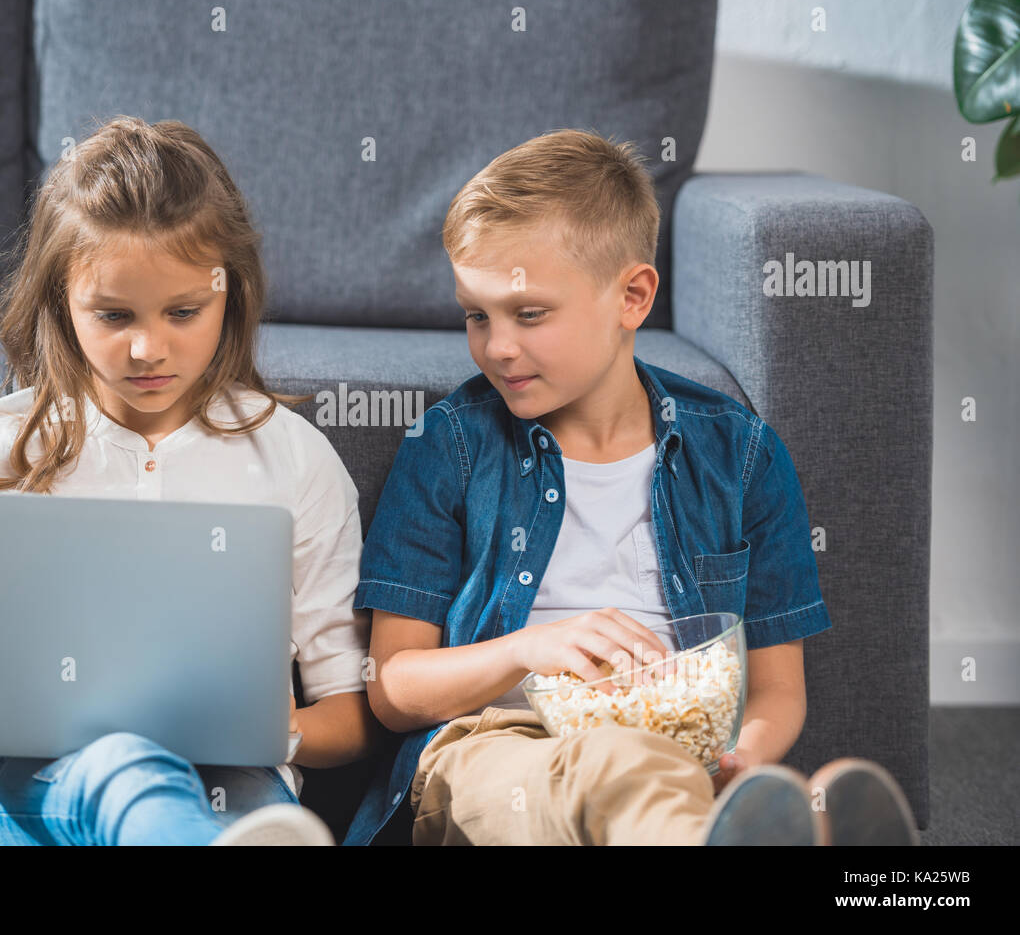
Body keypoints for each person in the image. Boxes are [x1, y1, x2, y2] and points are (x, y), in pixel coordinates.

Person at [343, 129, 919, 846]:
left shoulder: (740, 455)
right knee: (621, 768)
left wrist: (741, 758)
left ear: (633, 297)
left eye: (528, 313)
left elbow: (776, 688)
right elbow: (392, 688)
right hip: (494, 749)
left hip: (688, 754)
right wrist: (527, 647)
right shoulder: (447, 446)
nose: (497, 345)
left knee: (670, 779)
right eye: (476, 313)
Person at [0, 115, 383, 845]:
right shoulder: (1, 444)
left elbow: (349, 715)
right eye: (113, 314)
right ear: (60, 302)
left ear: (231, 294)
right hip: (37, 787)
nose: (148, 348)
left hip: (227, 788)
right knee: (118, 761)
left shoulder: (295, 459)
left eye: (184, 311)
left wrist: (277, 732)